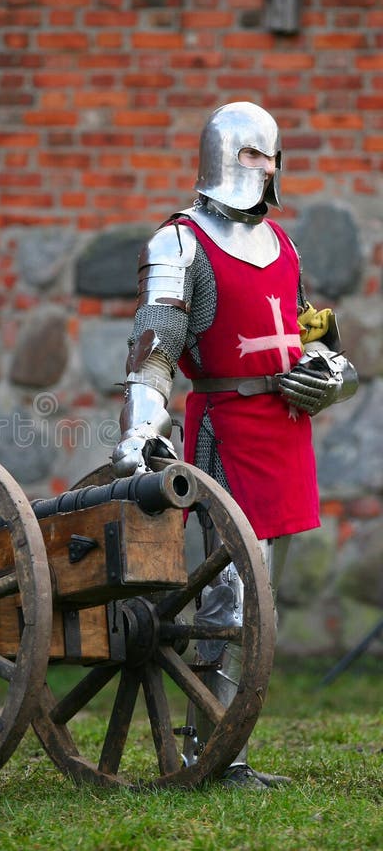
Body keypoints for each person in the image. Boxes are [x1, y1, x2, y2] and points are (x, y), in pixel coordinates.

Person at [111, 102, 358, 789]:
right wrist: (141, 429)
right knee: (229, 598)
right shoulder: (179, 243)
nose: (265, 170)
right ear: (222, 157)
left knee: (263, 596)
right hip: (227, 429)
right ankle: (211, 755)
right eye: (253, 156)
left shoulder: (285, 246)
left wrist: (328, 373)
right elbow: (154, 351)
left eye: (271, 157)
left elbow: (320, 337)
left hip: (284, 434)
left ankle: (229, 750)